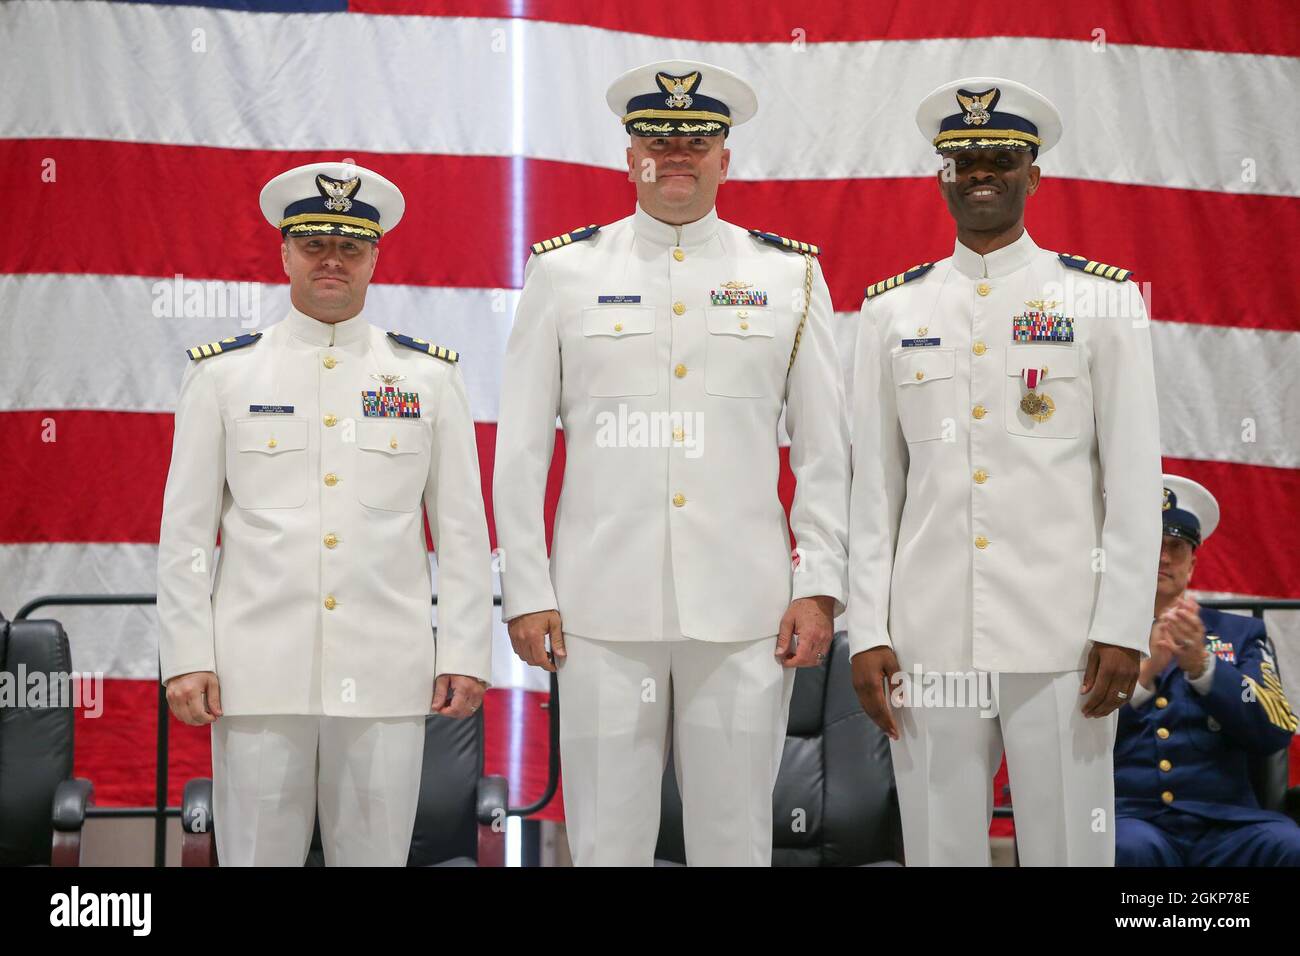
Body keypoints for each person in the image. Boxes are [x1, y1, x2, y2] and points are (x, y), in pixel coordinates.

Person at [493, 60, 849, 865]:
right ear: (630, 155)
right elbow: (520, 449)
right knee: (606, 840)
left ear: (727, 156)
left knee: (733, 840)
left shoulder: (787, 275)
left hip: (746, 609)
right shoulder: (563, 272)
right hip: (596, 608)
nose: (676, 154)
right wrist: (528, 589)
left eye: (697, 139)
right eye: (659, 139)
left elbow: (825, 449)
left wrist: (819, 584)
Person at [848, 77, 1163, 865]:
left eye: (1000, 157)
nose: (980, 172)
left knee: (1067, 849)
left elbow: (1131, 482)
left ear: (1033, 173)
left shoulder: (1100, 302)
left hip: (1066, 634)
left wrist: (1122, 626)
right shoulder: (893, 313)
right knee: (938, 847)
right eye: (964, 159)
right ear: (942, 176)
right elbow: (874, 490)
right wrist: (868, 627)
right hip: (929, 632)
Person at [156, 162, 494, 865]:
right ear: (284, 253)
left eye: (350, 247)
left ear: (375, 256)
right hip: (256, 673)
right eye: (314, 245)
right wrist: (186, 656)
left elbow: (461, 533)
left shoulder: (428, 378)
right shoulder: (224, 375)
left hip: (384, 673)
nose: (332, 261)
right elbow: (187, 534)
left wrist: (463, 649)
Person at [1115, 474, 1300, 865]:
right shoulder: (1101, 636)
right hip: (1132, 815)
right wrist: (1145, 674)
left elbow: (1275, 732)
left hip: (1228, 822)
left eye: (1177, 547)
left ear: (1193, 563)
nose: (1163, 557)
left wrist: (1204, 668)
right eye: (1152, 545)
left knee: (1286, 842)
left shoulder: (1243, 633)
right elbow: (1071, 735)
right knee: (1129, 847)